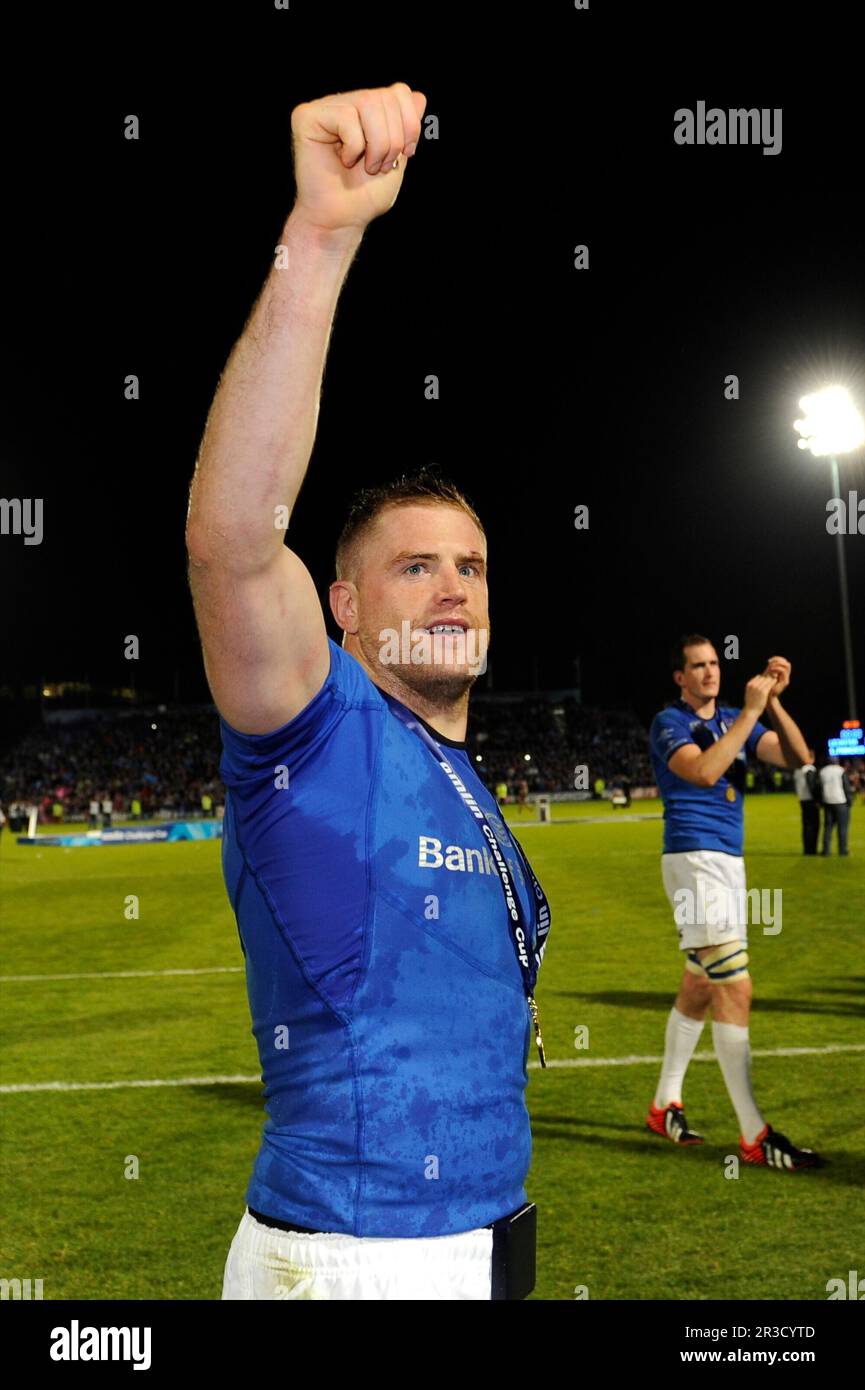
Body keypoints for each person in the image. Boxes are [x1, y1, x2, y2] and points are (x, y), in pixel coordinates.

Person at [186, 83, 551, 1301]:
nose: (454, 588)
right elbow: (237, 538)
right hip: (363, 1254)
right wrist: (324, 235)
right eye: (414, 565)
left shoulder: (454, 770)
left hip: (482, 1232)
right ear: (343, 608)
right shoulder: (324, 728)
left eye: (472, 565)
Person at [646, 635, 821, 1172]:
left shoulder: (735, 717)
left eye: (714, 664)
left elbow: (800, 758)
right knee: (735, 984)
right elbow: (702, 771)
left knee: (701, 982)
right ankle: (753, 1134)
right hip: (694, 858)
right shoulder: (669, 723)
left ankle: (663, 1105)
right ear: (680, 676)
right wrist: (748, 714)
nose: (708, 673)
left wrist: (772, 704)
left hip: (726, 862)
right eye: (697, 666)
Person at [819, 756, 853, 856]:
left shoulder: (823, 771)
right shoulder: (840, 771)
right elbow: (846, 786)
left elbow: (819, 787)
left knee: (827, 827)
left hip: (827, 801)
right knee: (842, 827)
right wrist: (849, 801)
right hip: (840, 801)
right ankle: (842, 850)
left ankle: (826, 850)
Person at [792, 748, 819, 855]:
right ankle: (812, 850)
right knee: (813, 826)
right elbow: (812, 786)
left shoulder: (798, 769)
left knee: (806, 825)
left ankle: (807, 849)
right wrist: (817, 799)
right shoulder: (809, 769)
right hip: (810, 800)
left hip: (802, 799)